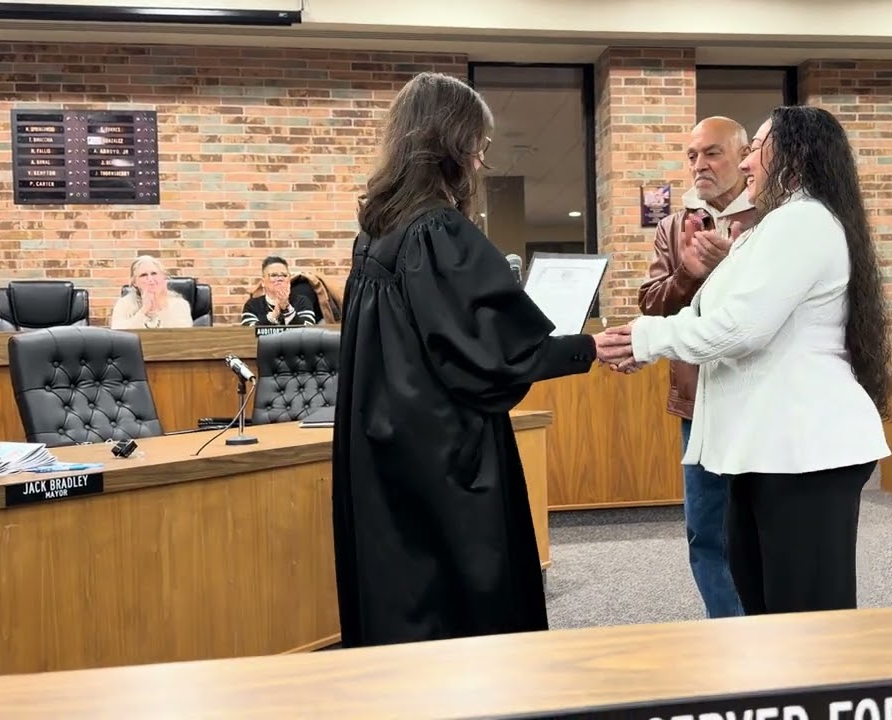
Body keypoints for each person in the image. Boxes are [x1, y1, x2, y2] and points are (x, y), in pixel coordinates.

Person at [333, 72, 606, 648]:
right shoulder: (436, 229)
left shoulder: (375, 233)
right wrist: (588, 347)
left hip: (385, 451)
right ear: (450, 143)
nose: (481, 163)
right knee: (464, 606)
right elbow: (489, 355)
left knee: (402, 595)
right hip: (443, 456)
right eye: (478, 145)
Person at [597, 106, 892, 616]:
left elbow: (741, 328)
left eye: (756, 147)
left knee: (804, 618)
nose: (749, 161)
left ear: (793, 156)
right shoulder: (776, 225)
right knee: (761, 608)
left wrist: (647, 340)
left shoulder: (803, 222)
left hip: (804, 451)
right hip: (768, 449)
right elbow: (720, 314)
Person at [637, 116, 756, 620]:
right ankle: (729, 630)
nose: (699, 165)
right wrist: (689, 272)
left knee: (756, 525)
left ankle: (771, 630)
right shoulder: (672, 225)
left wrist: (731, 266)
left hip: (758, 395)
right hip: (696, 400)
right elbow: (652, 304)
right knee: (706, 530)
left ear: (743, 156)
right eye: (692, 155)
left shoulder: (771, 218)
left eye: (712, 153)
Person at [110, 255, 193, 330]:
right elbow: (120, 336)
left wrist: (162, 307)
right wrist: (144, 310)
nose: (150, 279)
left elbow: (182, 336)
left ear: (163, 277)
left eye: (154, 273)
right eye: (143, 275)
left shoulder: (180, 305)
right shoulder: (124, 304)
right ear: (135, 282)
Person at [239, 256, 316, 327]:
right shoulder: (252, 305)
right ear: (263, 282)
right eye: (274, 275)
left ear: (289, 280)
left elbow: (308, 331)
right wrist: (273, 315)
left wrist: (287, 309)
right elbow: (249, 333)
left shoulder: (302, 301)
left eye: (284, 275)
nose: (279, 279)